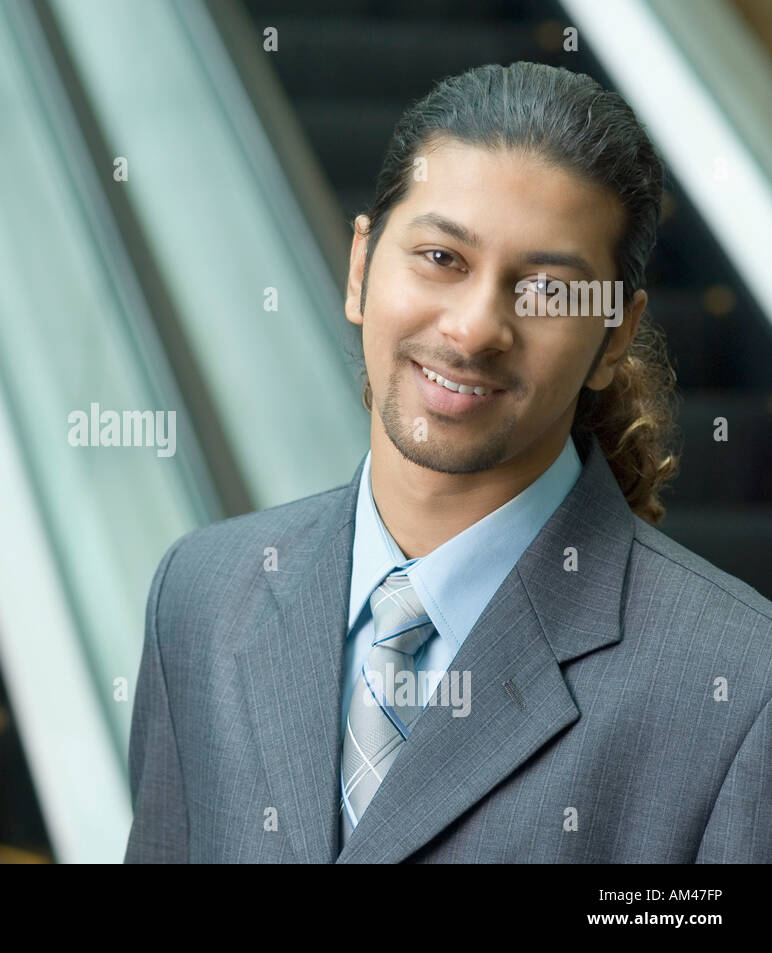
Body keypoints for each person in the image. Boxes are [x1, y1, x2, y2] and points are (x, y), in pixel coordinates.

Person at [124, 61, 772, 863]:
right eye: (440, 258)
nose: (473, 329)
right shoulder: (202, 594)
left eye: (545, 290)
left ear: (613, 336)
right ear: (361, 267)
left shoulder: (739, 686)